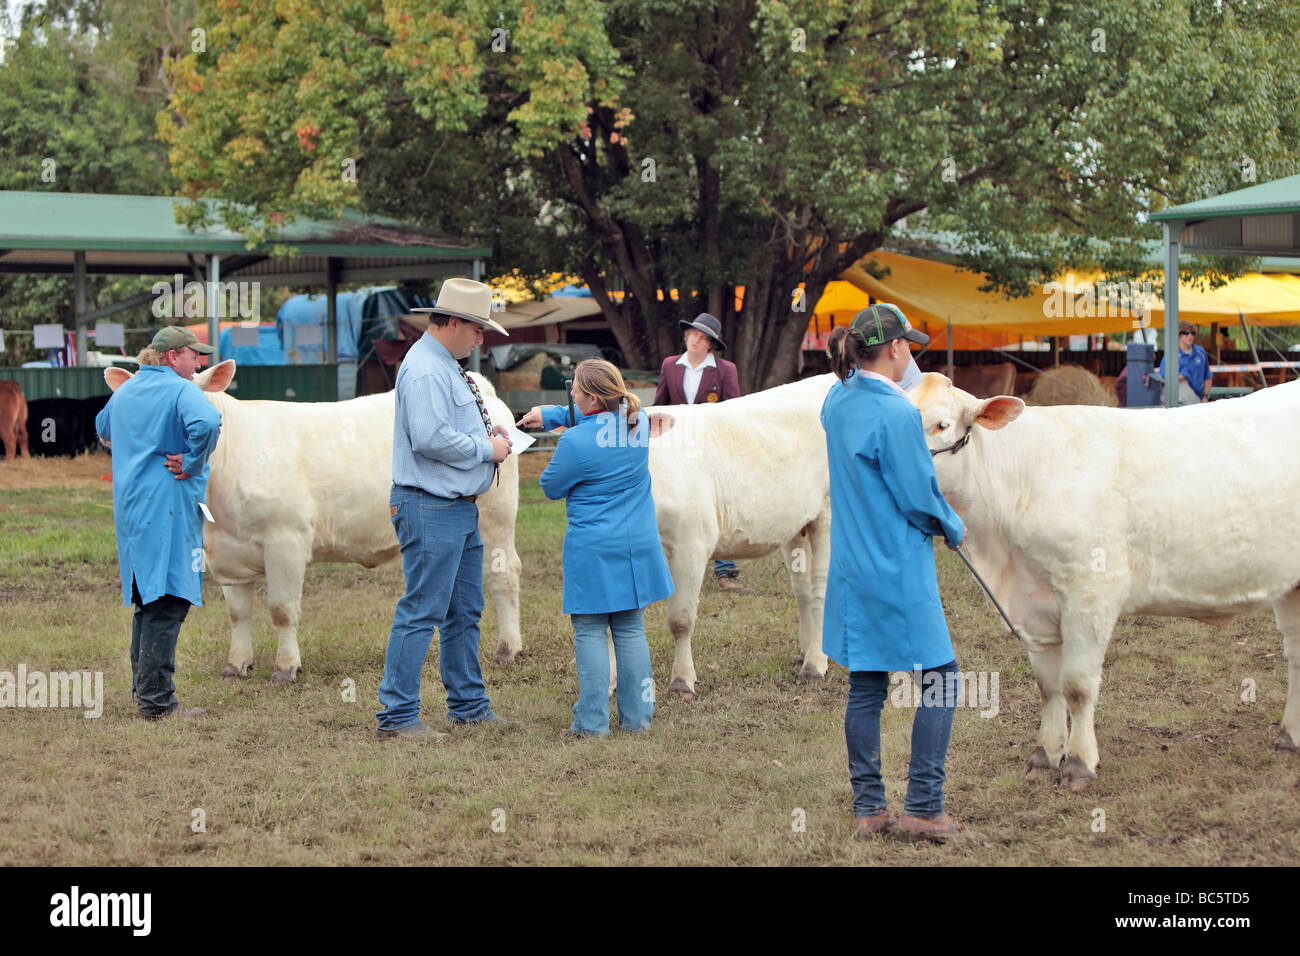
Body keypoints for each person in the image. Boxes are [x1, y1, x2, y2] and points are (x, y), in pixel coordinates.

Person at [820, 303, 972, 843]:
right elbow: (917, 495)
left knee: (866, 685)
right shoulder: (898, 414)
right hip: (897, 564)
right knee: (941, 680)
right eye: (908, 342)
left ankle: (869, 809)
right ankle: (925, 807)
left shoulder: (837, 400)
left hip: (852, 564)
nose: (911, 350)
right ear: (896, 349)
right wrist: (952, 525)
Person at [376, 277, 513, 739]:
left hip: (451, 506)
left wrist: (489, 437)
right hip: (430, 504)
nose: (481, 338)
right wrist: (486, 449)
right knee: (422, 611)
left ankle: (468, 705)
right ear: (452, 321)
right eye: (476, 329)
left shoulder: (441, 363)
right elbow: (430, 437)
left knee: (463, 609)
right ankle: (397, 717)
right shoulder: (428, 369)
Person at [518, 359, 674, 737]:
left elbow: (550, 487)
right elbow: (601, 417)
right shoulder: (636, 426)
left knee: (589, 630)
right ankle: (638, 720)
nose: (569, 393)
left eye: (573, 390)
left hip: (593, 548)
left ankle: (592, 723)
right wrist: (554, 413)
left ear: (590, 397)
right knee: (630, 628)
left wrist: (561, 424)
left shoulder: (574, 442)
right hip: (637, 544)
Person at [95, 326, 223, 720]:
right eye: (192, 355)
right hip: (166, 507)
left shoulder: (128, 390)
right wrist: (191, 460)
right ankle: (157, 703)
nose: (198, 363)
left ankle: (143, 691)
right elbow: (208, 423)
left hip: (131, 510)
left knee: (147, 599)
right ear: (172, 357)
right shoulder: (183, 391)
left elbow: (103, 428)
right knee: (168, 600)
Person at [652, 312, 752, 595]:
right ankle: (668, 569)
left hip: (712, 449)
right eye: (693, 333)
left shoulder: (725, 370)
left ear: (711, 344)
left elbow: (733, 411)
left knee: (718, 505)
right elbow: (661, 405)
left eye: (703, 337)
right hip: (675, 448)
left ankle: (726, 572)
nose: (696, 339)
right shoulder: (670, 365)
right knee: (675, 504)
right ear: (686, 335)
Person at [1158, 320, 1212, 405]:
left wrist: (1205, 396)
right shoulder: (1171, 354)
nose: (1190, 336)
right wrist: (1181, 376)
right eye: (1185, 333)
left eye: (1192, 333)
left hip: (1197, 400)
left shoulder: (1200, 352)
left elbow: (1208, 377)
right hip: (1177, 400)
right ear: (1179, 335)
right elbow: (1162, 379)